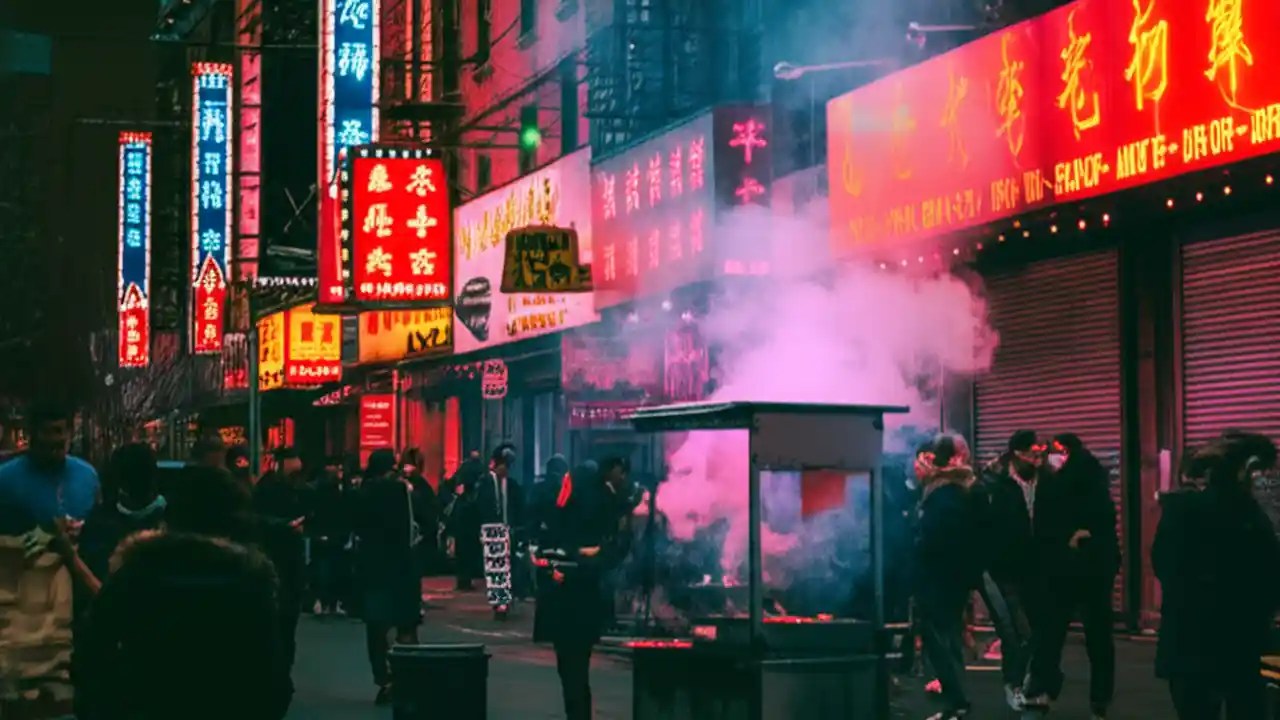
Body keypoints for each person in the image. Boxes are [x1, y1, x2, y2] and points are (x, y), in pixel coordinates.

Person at [76, 532, 291, 720]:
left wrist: (102, 710)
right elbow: (273, 680)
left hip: (144, 707)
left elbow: (91, 650)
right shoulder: (250, 582)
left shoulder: (135, 573)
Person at [1153, 431, 1280, 720]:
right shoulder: (1251, 516)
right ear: (1243, 471)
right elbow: (1272, 574)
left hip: (1189, 641)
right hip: (1242, 642)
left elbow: (1164, 566)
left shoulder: (1181, 509)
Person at [533, 457, 641, 720]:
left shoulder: (559, 502)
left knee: (569, 670)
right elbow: (614, 551)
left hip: (562, 598)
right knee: (578, 668)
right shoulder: (600, 505)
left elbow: (546, 545)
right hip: (582, 599)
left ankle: (578, 714)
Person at [1022, 433, 1120, 718]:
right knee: (1096, 636)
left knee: (1054, 633)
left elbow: (1048, 527)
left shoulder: (1062, 482)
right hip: (1088, 571)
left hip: (1068, 570)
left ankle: (1043, 689)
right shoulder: (1087, 478)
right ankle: (1098, 699)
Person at [976, 429, 1046, 711]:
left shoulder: (1046, 483)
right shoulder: (997, 485)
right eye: (1032, 453)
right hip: (1003, 570)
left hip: (1035, 569)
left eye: (1039, 453)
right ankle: (1014, 684)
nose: (1037, 458)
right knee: (1017, 632)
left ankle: (1024, 682)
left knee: (1035, 632)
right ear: (1017, 454)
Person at [914, 433, 982, 720]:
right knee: (947, 637)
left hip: (941, 579)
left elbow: (939, 540)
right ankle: (956, 700)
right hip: (951, 578)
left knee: (939, 638)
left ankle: (957, 701)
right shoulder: (959, 489)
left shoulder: (944, 493)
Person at [352, 448, 422, 704]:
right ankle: (406, 676)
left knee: (376, 626)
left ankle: (383, 677)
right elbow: (409, 529)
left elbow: (357, 527)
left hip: (372, 567)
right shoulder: (400, 490)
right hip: (400, 566)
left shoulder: (363, 492)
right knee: (405, 622)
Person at [0, 402, 100, 525]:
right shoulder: (5, 479)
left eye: (58, 431)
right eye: (46, 432)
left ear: (69, 434)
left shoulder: (88, 476)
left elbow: (100, 524)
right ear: (32, 435)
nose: (53, 439)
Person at [476, 444, 526, 616]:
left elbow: (519, 509)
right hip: (491, 532)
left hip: (508, 531)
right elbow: (479, 508)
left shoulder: (511, 486)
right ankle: (499, 602)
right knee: (495, 568)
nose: (506, 469)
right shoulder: (485, 484)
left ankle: (505, 599)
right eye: (504, 465)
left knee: (508, 566)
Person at [443, 454, 485, 591]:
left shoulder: (465, 469)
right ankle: (466, 579)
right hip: (470, 518)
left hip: (462, 518)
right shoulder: (478, 470)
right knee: (470, 550)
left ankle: (463, 580)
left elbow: (452, 483)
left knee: (463, 551)